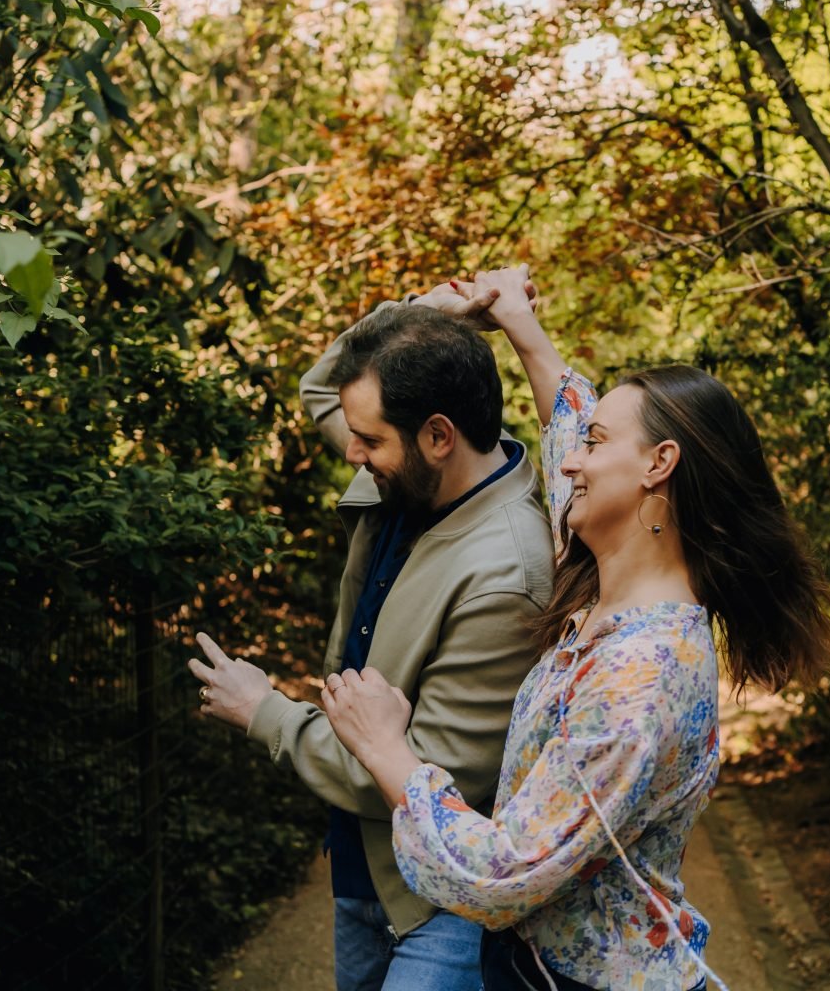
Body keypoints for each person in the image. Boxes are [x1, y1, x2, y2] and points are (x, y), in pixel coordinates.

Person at [319, 265, 830, 991]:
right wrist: (518, 324)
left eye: (594, 443)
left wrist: (384, 747)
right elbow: (567, 419)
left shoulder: (640, 676)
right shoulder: (599, 576)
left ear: (659, 465)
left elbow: (505, 873)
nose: (569, 460)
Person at [187, 289, 555, 991]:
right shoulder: (417, 469)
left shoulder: (506, 575)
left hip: (434, 908)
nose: (352, 453)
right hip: (361, 869)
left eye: (370, 441)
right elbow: (320, 385)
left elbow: (426, 779)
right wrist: (424, 312)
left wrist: (263, 712)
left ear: (439, 435)